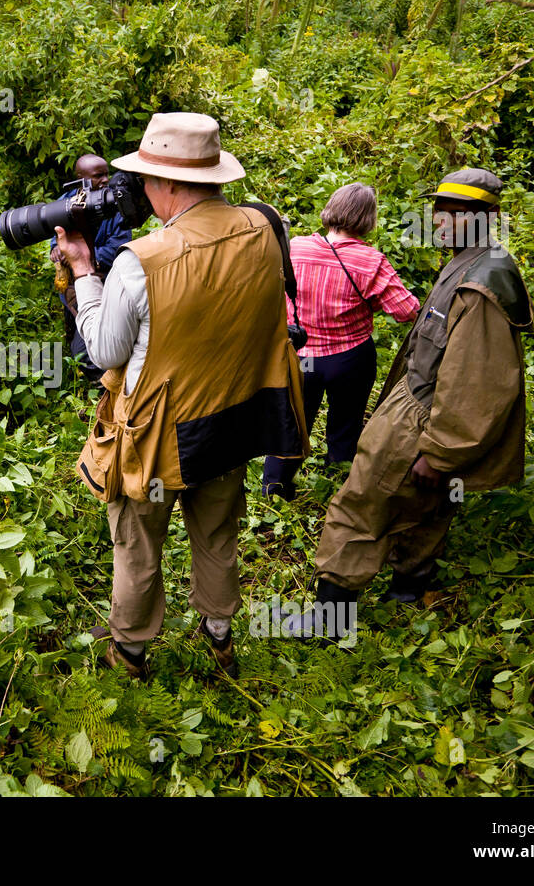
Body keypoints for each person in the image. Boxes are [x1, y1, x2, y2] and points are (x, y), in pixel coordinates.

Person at [54, 112, 308, 679]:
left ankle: (131, 650)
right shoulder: (266, 227)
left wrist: (82, 272)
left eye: (145, 177)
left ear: (168, 183)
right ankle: (220, 637)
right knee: (218, 535)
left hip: (158, 438)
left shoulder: (139, 262)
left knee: (138, 544)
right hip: (235, 417)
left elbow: (103, 352)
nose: (141, 189)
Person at [288, 168, 531, 641]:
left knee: (359, 506)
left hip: (423, 415)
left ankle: (330, 621)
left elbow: (477, 381)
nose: (438, 218)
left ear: (485, 217)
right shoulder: (468, 261)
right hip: (420, 405)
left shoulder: (483, 281)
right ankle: (408, 590)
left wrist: (441, 451)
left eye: (453, 212)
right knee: (428, 504)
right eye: (438, 207)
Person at [261, 183, 419, 500]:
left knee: (290, 420)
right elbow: (406, 311)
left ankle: (274, 491)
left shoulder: (295, 247)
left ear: (331, 209)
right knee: (345, 426)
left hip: (299, 354)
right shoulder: (371, 261)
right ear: (368, 219)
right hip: (349, 359)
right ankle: (337, 489)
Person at [49, 155, 132, 381]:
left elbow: (119, 246)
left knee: (90, 349)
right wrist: (57, 250)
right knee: (76, 335)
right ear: (81, 179)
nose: (105, 180)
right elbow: (54, 237)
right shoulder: (65, 203)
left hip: (105, 283)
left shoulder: (114, 204)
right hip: (74, 286)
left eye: (107, 174)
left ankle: (114, 382)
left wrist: (86, 259)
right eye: (98, 176)